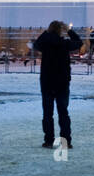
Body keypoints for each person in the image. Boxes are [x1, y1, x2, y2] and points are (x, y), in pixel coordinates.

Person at [34, 20, 82, 149]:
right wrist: (69, 30)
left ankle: (48, 140)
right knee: (63, 113)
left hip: (47, 82)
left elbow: (36, 44)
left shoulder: (44, 44)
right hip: (62, 82)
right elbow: (79, 42)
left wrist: (46, 33)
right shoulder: (64, 43)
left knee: (47, 114)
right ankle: (66, 141)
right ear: (61, 30)